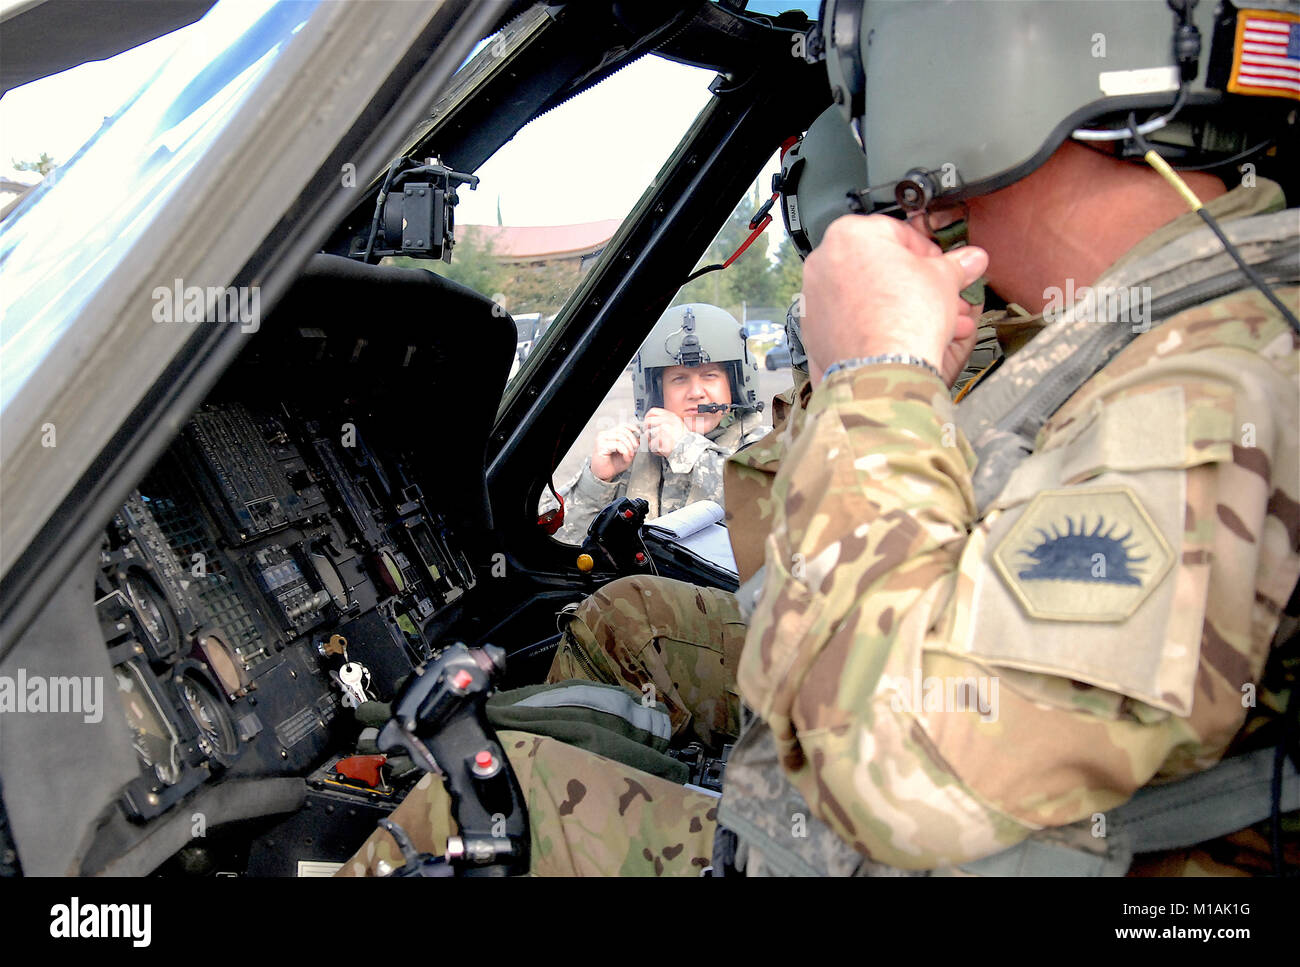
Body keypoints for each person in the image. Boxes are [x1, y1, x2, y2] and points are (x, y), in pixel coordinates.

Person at [343, 0, 1299, 876]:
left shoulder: (1212, 384)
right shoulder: (1169, 331)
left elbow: (907, 769)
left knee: (454, 826)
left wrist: (874, 375)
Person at [552, 303, 770, 543]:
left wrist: (685, 447)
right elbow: (565, 544)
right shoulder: (632, 452)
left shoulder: (766, 447)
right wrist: (597, 481)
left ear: (735, 385)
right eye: (679, 379)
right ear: (656, 391)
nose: (696, 392)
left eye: (710, 375)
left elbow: (768, 509)